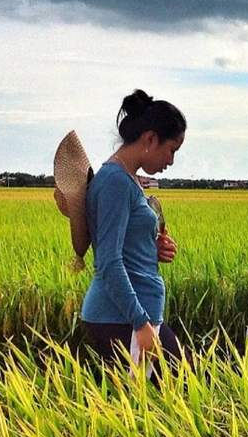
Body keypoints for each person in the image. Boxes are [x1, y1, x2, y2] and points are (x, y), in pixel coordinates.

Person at [72, 89, 186, 371]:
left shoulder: (127, 179)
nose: (170, 161)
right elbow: (109, 261)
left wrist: (151, 248)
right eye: (171, 149)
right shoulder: (116, 182)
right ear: (150, 139)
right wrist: (140, 322)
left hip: (133, 314)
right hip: (121, 317)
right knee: (171, 395)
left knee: (168, 397)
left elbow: (122, 244)